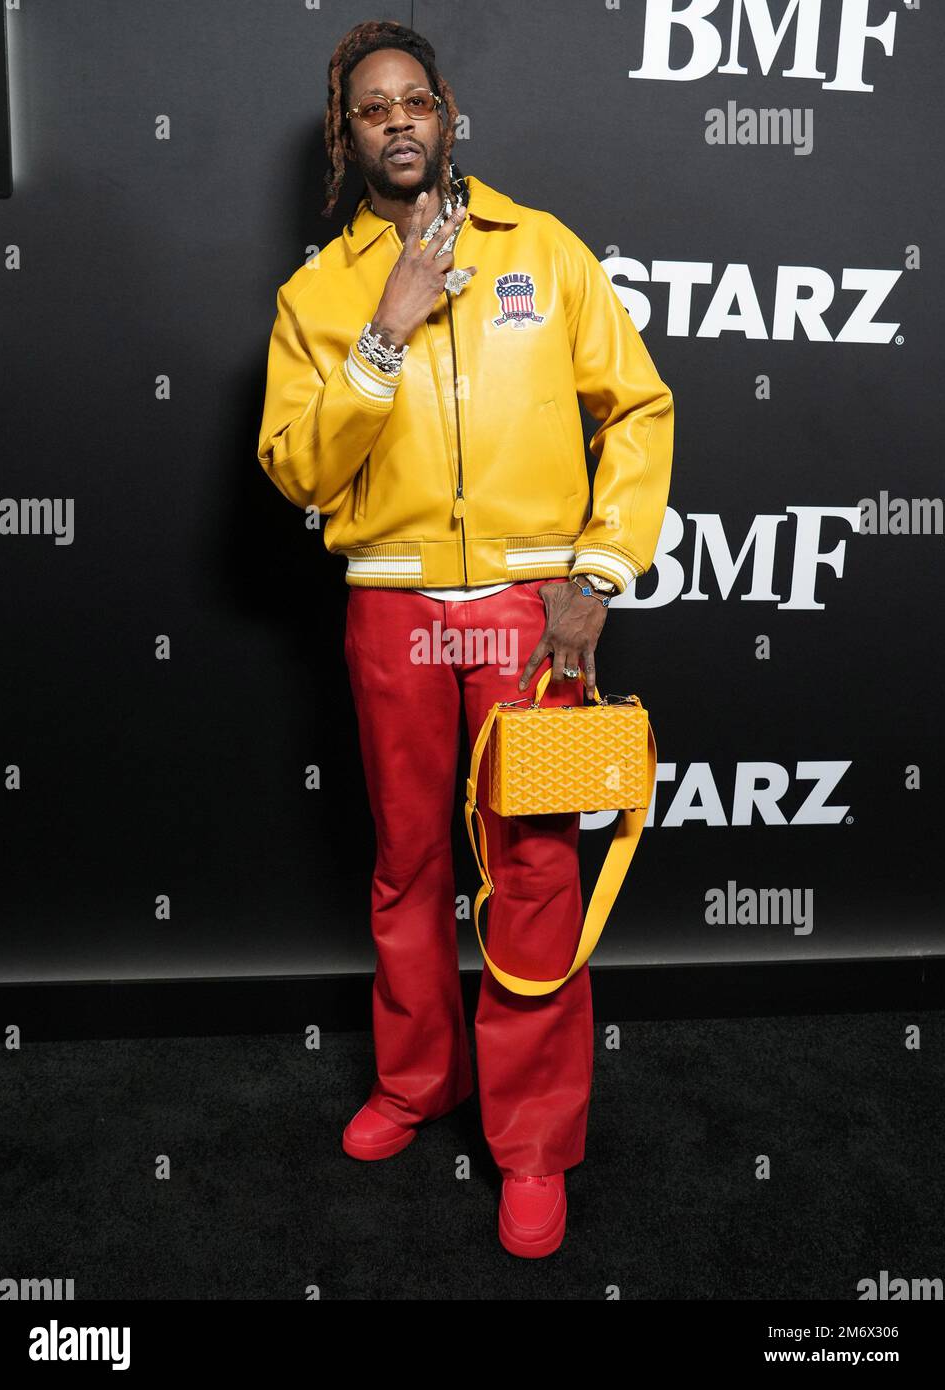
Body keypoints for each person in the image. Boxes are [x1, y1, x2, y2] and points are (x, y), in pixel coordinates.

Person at [257, 19, 674, 1259]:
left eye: (414, 101)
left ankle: (533, 1143)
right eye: (371, 108)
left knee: (536, 864)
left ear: (447, 114)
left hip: (524, 614)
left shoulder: (540, 250)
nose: (396, 120)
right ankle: (414, 1081)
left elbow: (637, 405)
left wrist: (596, 571)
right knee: (404, 866)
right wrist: (383, 330)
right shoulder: (318, 293)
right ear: (349, 136)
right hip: (390, 605)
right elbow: (295, 469)